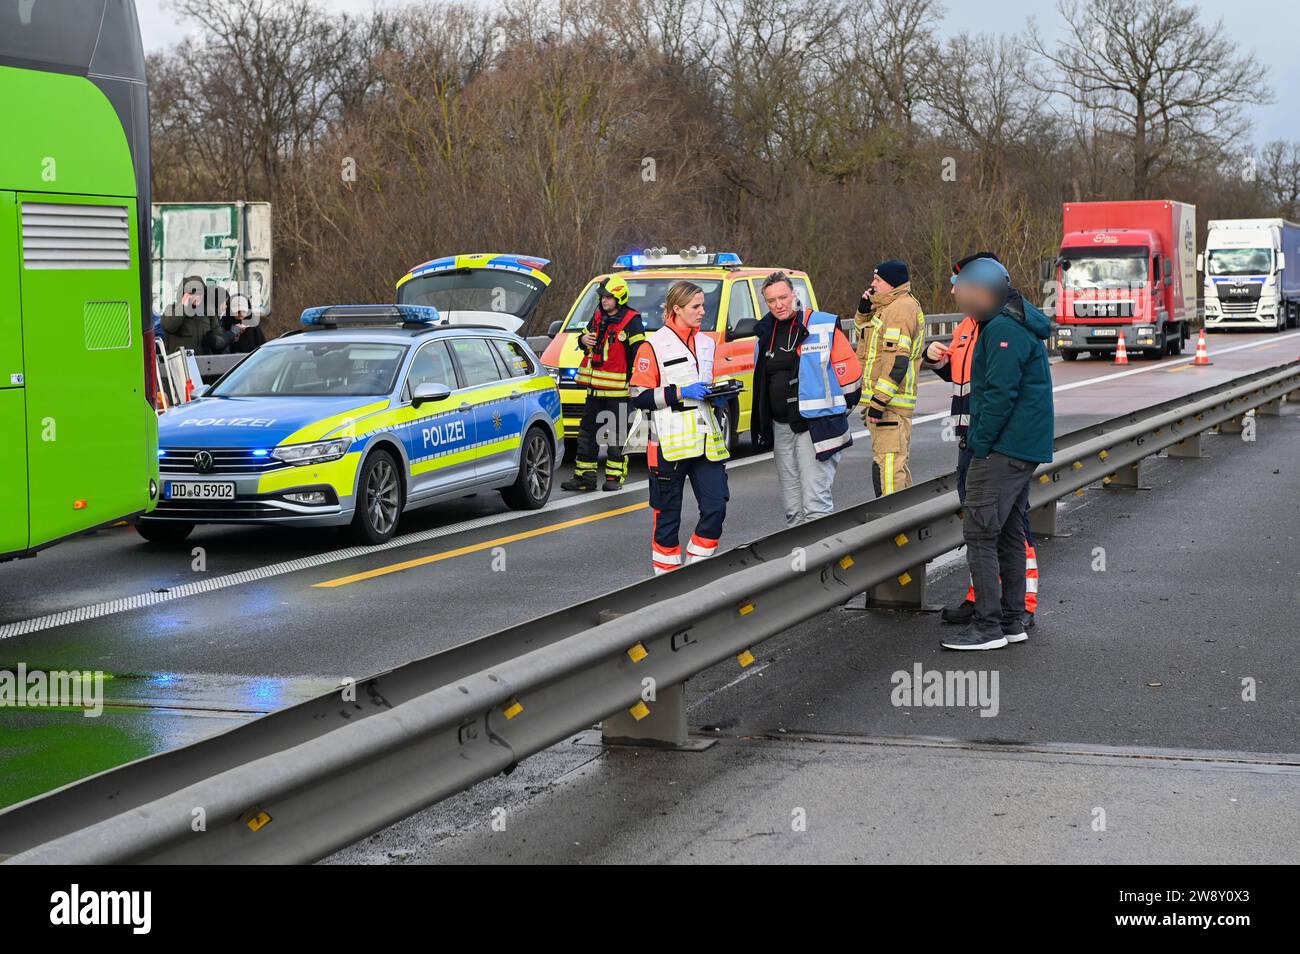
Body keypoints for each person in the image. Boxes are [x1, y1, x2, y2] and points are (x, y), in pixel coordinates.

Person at [941, 257, 1054, 651]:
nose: (955, 293)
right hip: (1020, 448)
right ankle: (1011, 620)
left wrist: (980, 444)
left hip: (1003, 448)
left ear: (981, 290)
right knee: (1007, 532)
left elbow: (998, 397)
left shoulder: (1002, 329)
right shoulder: (1009, 323)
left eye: (960, 287)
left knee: (980, 533)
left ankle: (987, 628)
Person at [629, 281, 730, 574]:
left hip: (707, 441)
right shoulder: (653, 346)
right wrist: (679, 392)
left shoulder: (708, 343)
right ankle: (667, 585)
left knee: (716, 509)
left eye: (703, 305)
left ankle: (694, 574)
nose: (702, 311)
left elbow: (709, 384)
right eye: (695, 307)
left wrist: (718, 395)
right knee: (667, 520)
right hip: (667, 444)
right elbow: (638, 397)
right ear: (676, 309)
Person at [750, 271, 862, 525]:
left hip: (816, 427)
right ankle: (800, 561)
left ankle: (821, 562)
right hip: (782, 428)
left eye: (783, 297)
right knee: (793, 509)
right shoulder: (764, 333)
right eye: (771, 301)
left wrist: (835, 413)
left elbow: (852, 380)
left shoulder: (821, 324)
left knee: (815, 504)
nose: (778, 305)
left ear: (794, 295)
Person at [562, 275, 646, 491]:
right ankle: (585, 477)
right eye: (602, 297)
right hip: (595, 391)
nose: (604, 301)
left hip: (620, 393)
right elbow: (585, 337)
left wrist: (635, 386)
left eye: (608, 297)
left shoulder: (632, 320)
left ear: (619, 297)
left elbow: (639, 355)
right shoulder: (598, 315)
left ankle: (614, 478)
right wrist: (582, 340)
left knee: (617, 437)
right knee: (587, 434)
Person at [854, 259, 924, 496]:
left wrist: (878, 402)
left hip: (890, 405)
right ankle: (905, 521)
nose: (872, 284)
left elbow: (896, 362)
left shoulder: (899, 310)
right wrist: (864, 312)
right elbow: (868, 344)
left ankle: (893, 522)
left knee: (890, 470)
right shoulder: (886, 307)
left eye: (878, 280)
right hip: (887, 403)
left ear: (892, 284)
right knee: (893, 463)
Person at [161, 276, 229, 355]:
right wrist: (183, 307)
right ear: (184, 294)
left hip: (203, 362)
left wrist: (214, 340)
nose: (198, 297)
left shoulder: (208, 313)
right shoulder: (171, 309)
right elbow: (169, 326)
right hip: (180, 363)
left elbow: (221, 338)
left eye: (201, 294)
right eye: (193, 293)